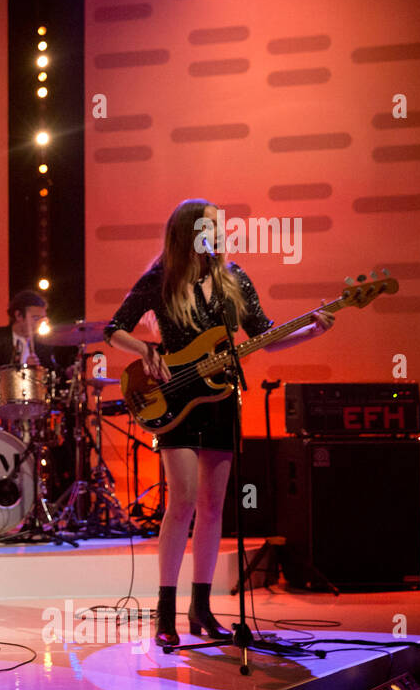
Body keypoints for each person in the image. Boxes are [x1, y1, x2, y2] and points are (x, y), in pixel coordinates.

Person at [103, 198, 333, 646]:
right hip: (175, 400)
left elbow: (265, 337)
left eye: (218, 227)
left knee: (213, 508)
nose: (216, 234)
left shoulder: (234, 280)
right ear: (186, 234)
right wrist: (146, 351)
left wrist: (312, 330)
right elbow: (114, 328)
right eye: (207, 227)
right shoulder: (161, 280)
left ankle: (201, 608)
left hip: (222, 398)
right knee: (183, 501)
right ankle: (165, 612)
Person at [0, 289, 55, 372]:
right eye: (36, 318)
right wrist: (24, 368)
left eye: (42, 318)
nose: (39, 323)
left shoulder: (42, 343)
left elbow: (52, 372)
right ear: (18, 315)